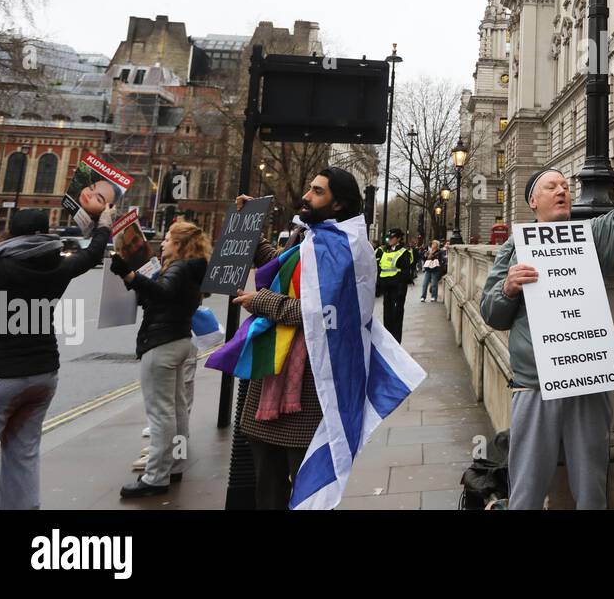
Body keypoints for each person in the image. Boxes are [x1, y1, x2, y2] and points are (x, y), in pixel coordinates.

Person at [481, 121, 614, 510]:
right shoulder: (514, 247)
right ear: (533, 202)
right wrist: (507, 289)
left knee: (592, 487)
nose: (562, 190)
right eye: (551, 186)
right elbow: (492, 314)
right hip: (534, 385)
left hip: (587, 381)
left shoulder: (591, 236)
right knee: (526, 487)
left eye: (565, 186)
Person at [232, 169, 361, 509]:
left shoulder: (342, 248)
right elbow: (281, 267)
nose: (306, 195)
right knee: (267, 491)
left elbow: (322, 312)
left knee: (306, 494)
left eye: (317, 192)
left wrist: (260, 301)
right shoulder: (307, 236)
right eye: (309, 187)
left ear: (338, 205)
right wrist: (250, 230)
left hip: (307, 390)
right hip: (272, 381)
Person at [0, 207, 113, 509]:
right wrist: (103, 223)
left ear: (12, 234)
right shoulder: (59, 267)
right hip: (43, 376)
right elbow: (93, 253)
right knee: (23, 455)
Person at [114, 219, 208, 499]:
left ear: (179, 244)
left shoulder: (178, 267)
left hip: (162, 344)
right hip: (179, 339)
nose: (163, 242)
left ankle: (155, 476)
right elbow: (166, 297)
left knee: (161, 413)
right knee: (177, 409)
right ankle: (175, 463)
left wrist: (130, 276)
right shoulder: (191, 268)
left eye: (167, 238)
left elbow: (164, 293)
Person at [375, 228, 414, 340]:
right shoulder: (385, 251)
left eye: (392, 238)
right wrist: (378, 286)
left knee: (396, 314)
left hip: (397, 288)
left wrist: (402, 289)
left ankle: (396, 340)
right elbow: (381, 269)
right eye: (389, 238)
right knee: (387, 314)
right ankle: (388, 338)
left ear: (398, 239)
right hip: (387, 288)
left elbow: (405, 272)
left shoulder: (403, 252)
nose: (390, 240)